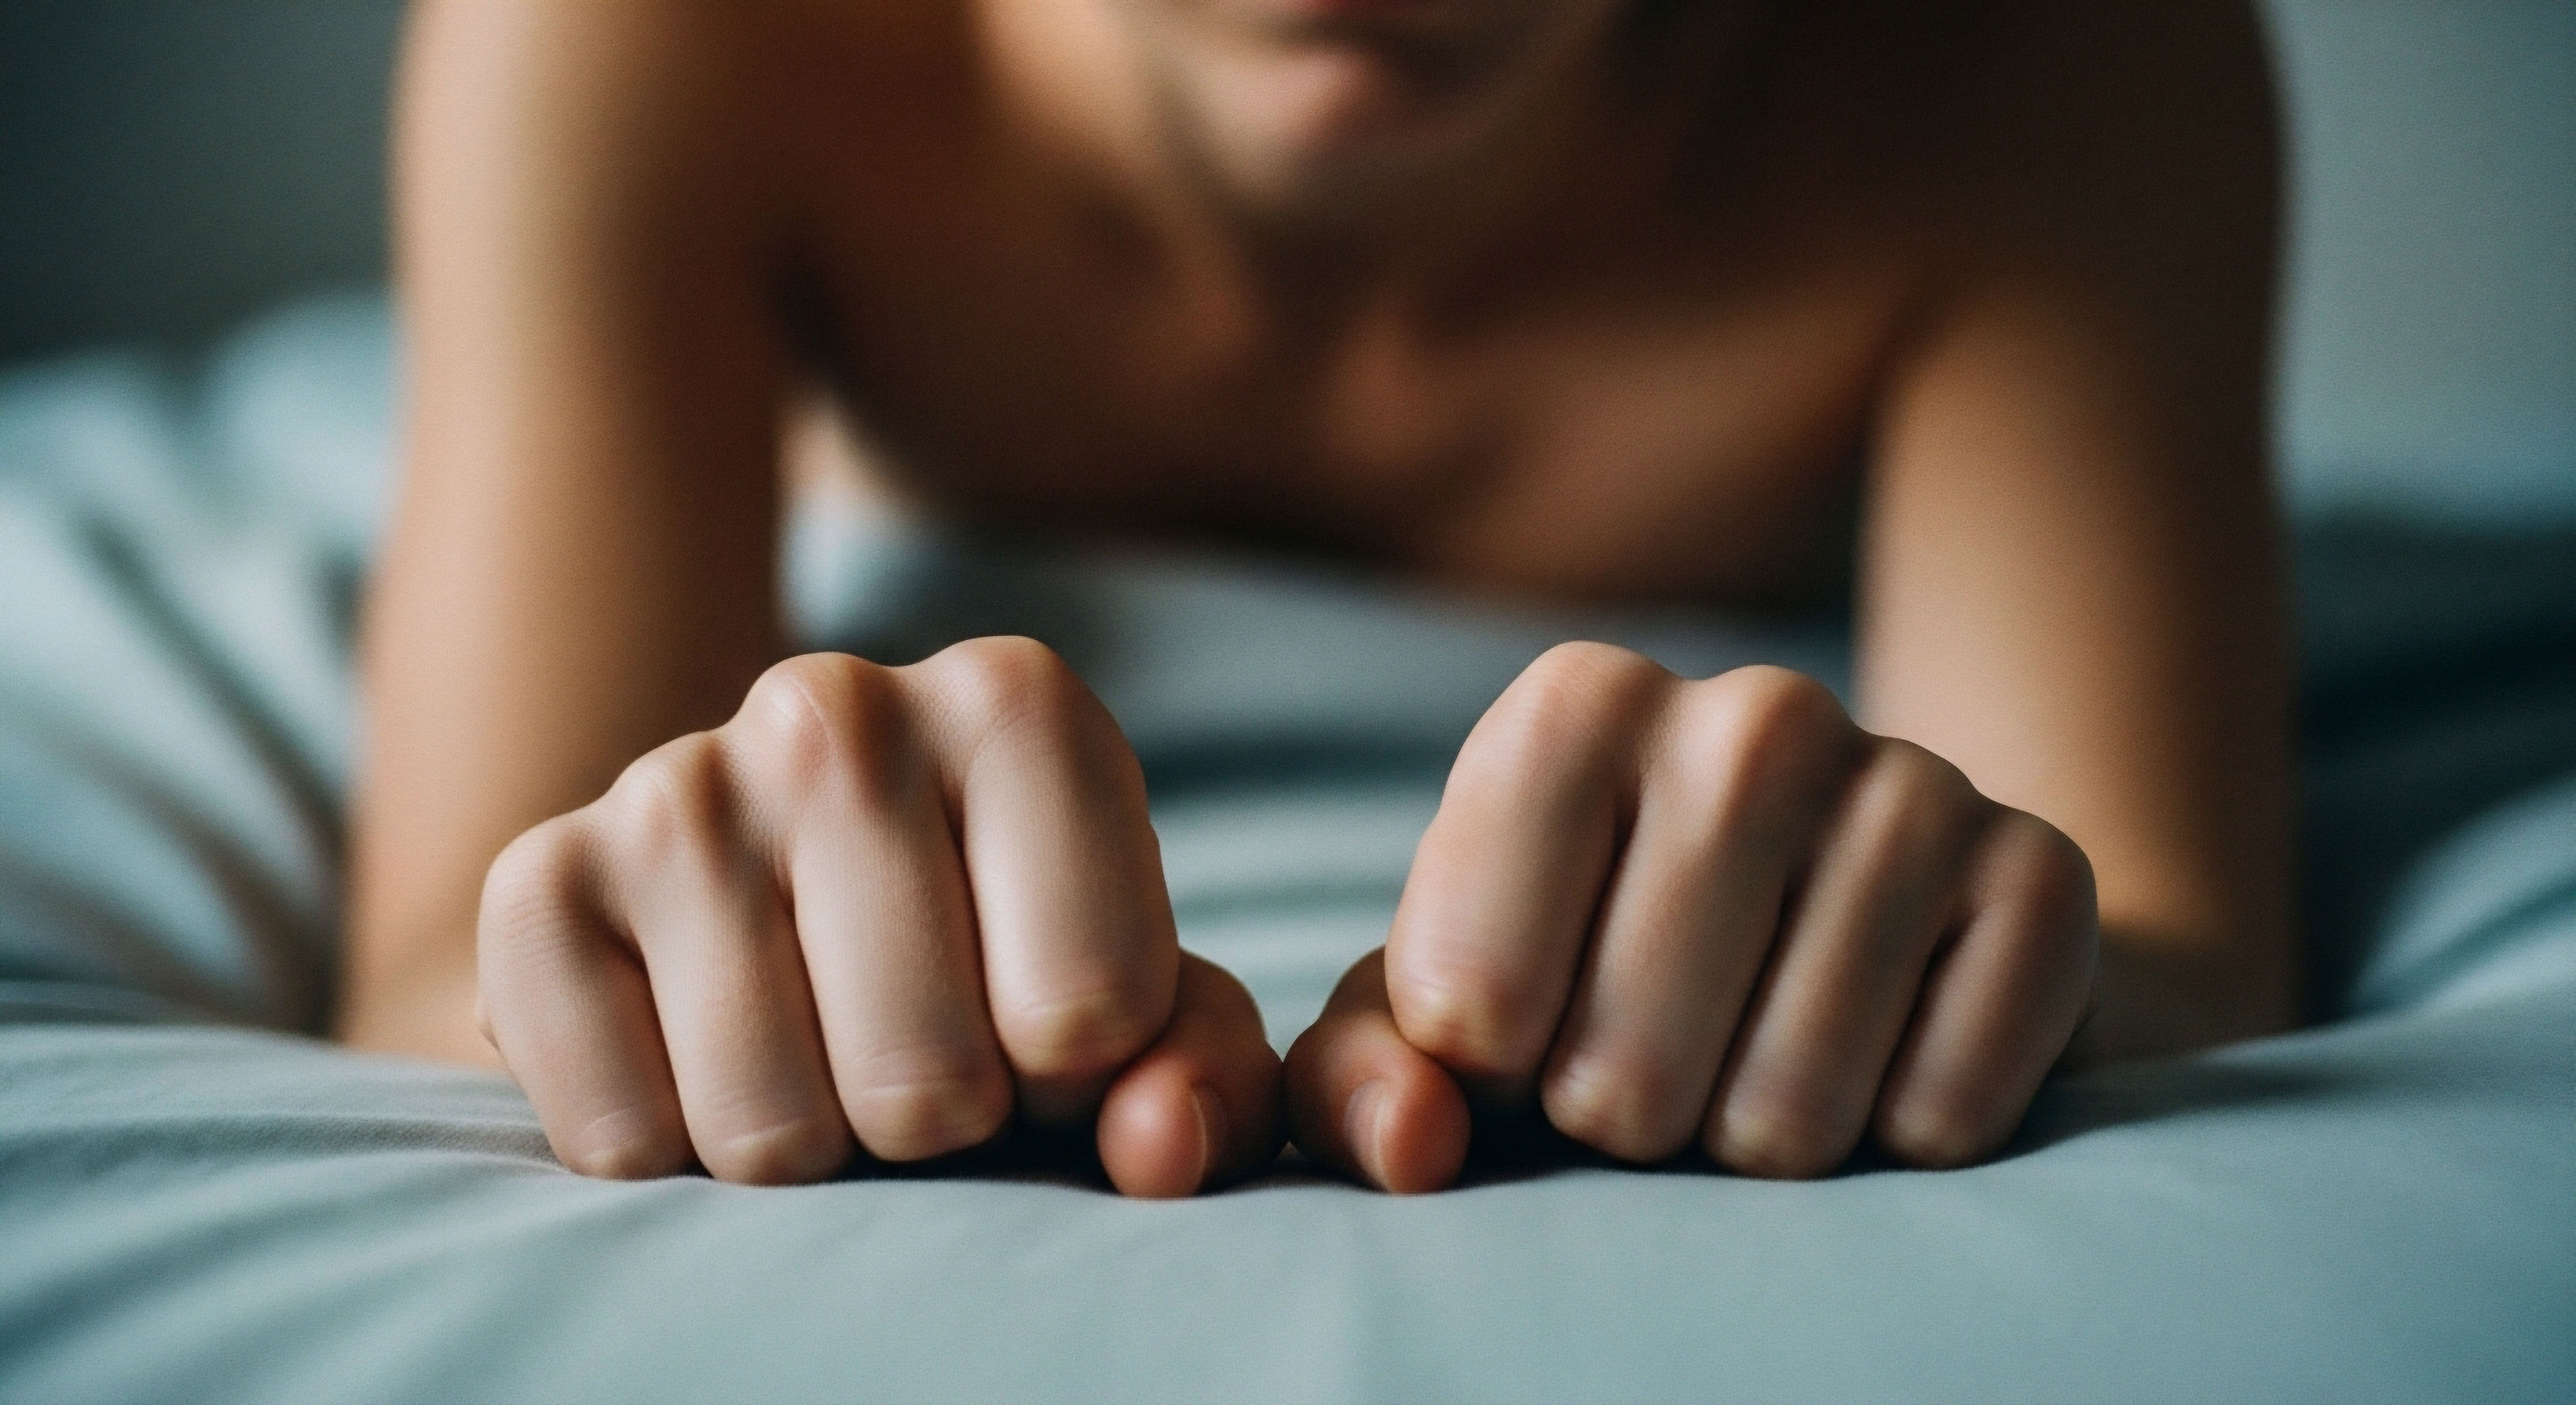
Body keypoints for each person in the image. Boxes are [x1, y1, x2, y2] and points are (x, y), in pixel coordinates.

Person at [344, 0, 2292, 1198]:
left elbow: (2173, 942)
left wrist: (1942, 949)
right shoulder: (663, 36)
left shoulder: (2048, 57)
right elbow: (451, 956)